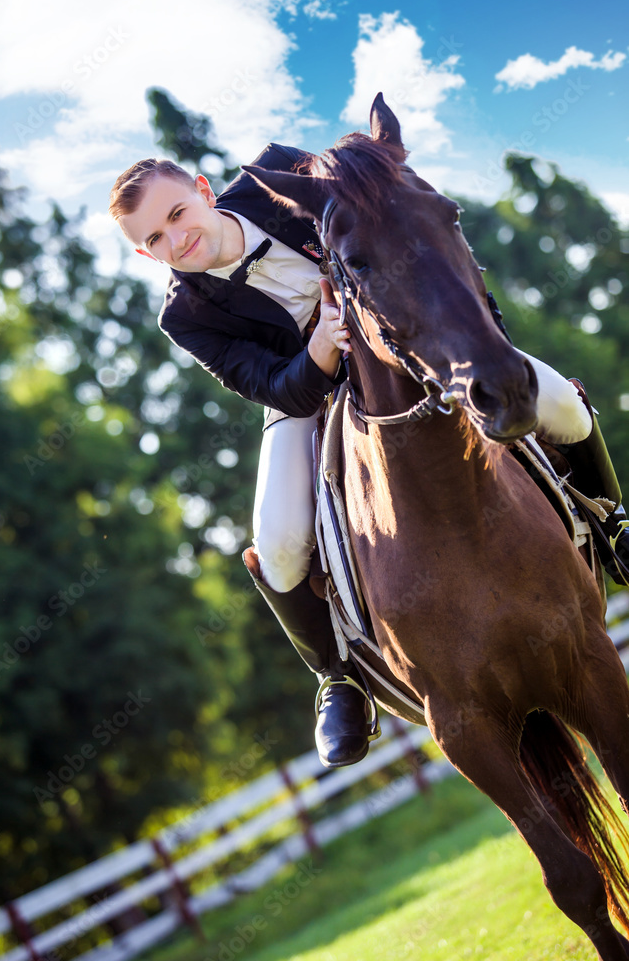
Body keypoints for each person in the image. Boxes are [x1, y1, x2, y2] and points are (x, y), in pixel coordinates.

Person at [109, 142, 629, 768]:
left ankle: (609, 520)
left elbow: (390, 210)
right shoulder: (184, 316)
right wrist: (323, 350)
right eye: (156, 239)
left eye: (176, 213)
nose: (176, 237)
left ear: (201, 188)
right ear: (145, 254)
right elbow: (270, 386)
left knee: (565, 407)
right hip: (309, 396)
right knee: (275, 541)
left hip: (415, 338)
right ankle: (339, 678)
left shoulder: (280, 173)